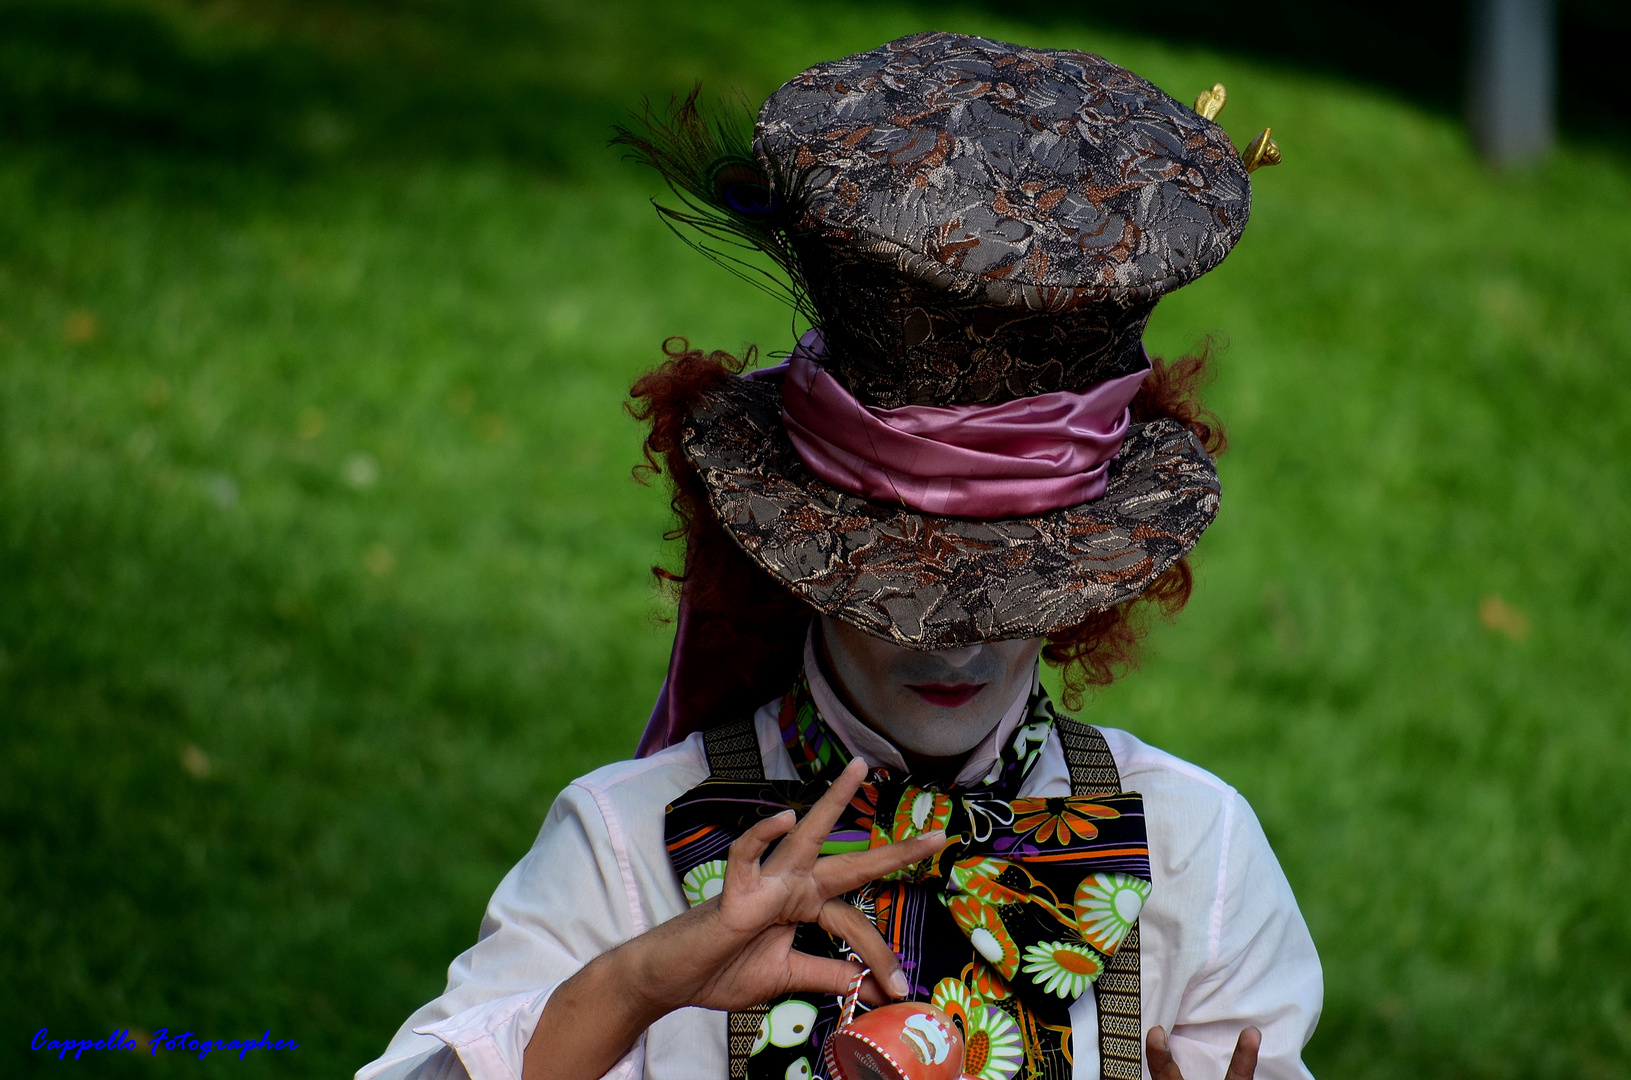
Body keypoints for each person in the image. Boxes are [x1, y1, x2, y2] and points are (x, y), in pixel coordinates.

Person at [358, 31, 1318, 1080]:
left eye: (1006, 591)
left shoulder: (1193, 854)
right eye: (897, 587)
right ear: (798, 557)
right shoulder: (628, 843)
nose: (954, 642)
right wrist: (633, 986)